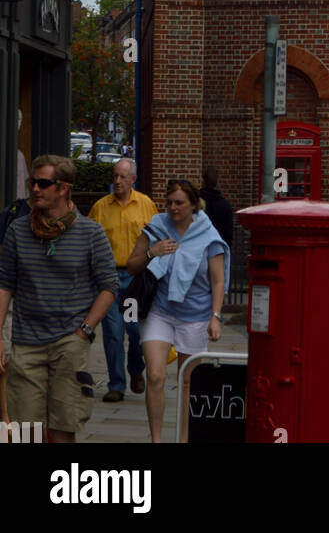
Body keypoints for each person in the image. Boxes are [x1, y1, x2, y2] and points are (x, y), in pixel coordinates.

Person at [0, 155, 117, 443]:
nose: (35, 189)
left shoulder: (91, 232)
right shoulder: (17, 230)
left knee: (65, 425)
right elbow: (4, 285)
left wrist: (84, 331)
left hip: (69, 341)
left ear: (63, 188)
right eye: (33, 182)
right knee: (23, 432)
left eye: (43, 183)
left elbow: (109, 287)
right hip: (27, 342)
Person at [126, 178, 229, 443]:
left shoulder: (208, 235)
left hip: (196, 314)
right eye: (169, 202)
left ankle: (184, 438)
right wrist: (153, 252)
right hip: (160, 310)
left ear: (193, 204)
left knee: (188, 382)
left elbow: (218, 281)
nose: (173, 208)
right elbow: (132, 266)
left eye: (179, 203)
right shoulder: (157, 227)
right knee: (156, 374)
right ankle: (157, 439)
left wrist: (215, 317)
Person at [87, 159, 157, 402]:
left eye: (122, 177)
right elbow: (90, 242)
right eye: (115, 176)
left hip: (134, 280)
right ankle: (116, 384)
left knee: (135, 331)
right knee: (113, 333)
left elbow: (157, 237)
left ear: (132, 180)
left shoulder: (145, 205)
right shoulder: (101, 207)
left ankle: (136, 369)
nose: (117, 181)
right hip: (109, 279)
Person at [200, 166, 233, 247]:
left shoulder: (196, 202)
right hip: (218, 245)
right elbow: (228, 232)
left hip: (200, 245)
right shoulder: (225, 204)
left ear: (203, 181)